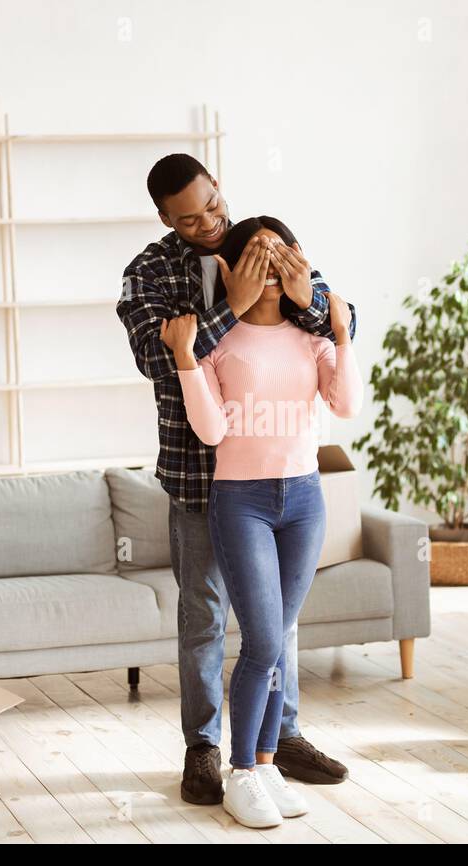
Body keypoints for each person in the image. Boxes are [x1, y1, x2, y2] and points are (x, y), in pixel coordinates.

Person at [115, 155, 355, 807]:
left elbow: (341, 319)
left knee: (280, 618)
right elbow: (161, 361)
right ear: (165, 217)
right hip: (200, 476)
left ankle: (282, 736)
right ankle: (205, 748)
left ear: (220, 188)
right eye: (190, 218)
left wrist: (306, 301)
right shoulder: (149, 273)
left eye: (214, 205)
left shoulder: (261, 236)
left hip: (284, 472)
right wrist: (237, 306)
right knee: (204, 613)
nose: (210, 223)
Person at [160, 216, 362, 827]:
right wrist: (186, 359)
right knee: (265, 642)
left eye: (280, 258)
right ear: (229, 269)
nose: (269, 271)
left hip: (303, 500)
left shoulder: (313, 337)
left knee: (278, 641)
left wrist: (344, 337)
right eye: (255, 258)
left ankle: (267, 763)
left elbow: (346, 405)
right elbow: (213, 430)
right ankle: (240, 772)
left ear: (299, 262)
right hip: (240, 500)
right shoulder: (218, 341)